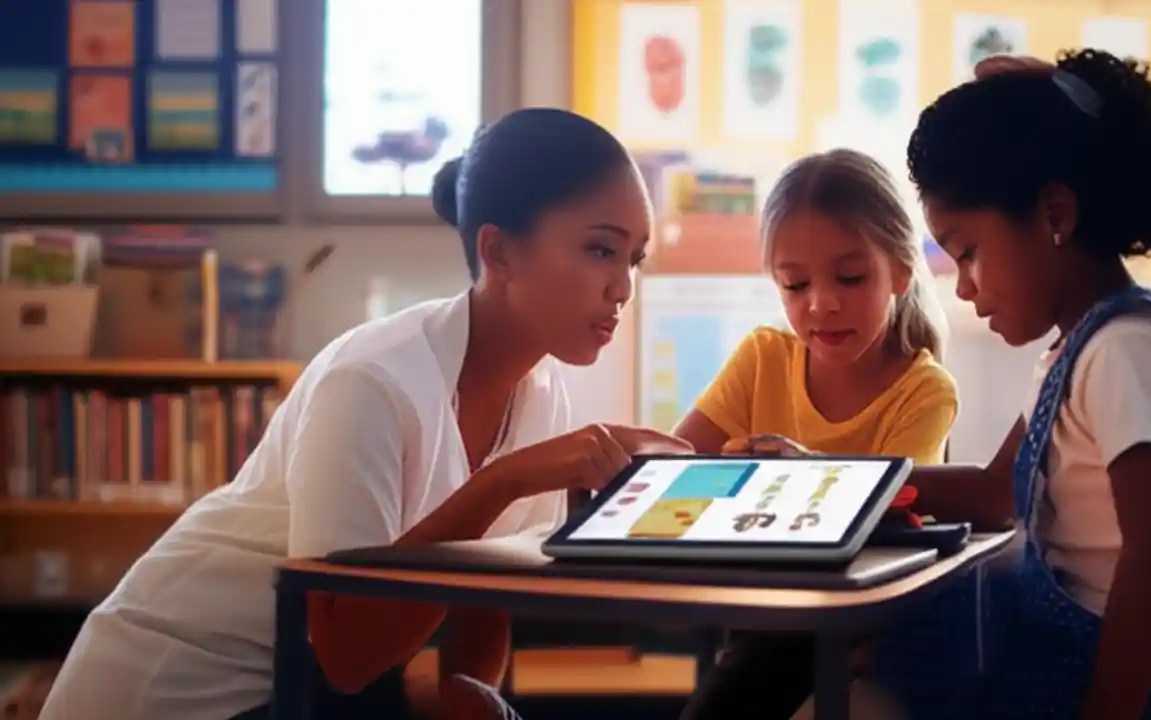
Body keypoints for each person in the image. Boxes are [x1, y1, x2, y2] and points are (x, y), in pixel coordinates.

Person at [38, 107, 693, 720]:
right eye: (601, 250)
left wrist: (470, 703)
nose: (622, 288)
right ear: (498, 252)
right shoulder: (371, 382)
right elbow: (345, 655)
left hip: (297, 699)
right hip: (175, 692)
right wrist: (504, 481)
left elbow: (480, 608)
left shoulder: (542, 392)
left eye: (634, 259)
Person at [866, 49, 1151, 719]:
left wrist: (1106, 712)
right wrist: (851, 484)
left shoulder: (1124, 351)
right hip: (1125, 666)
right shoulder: (1079, 350)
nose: (963, 287)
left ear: (1054, 216)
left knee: (898, 669)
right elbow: (999, 493)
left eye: (967, 251)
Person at [675, 148, 958, 720]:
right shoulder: (761, 358)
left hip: (858, 623)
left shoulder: (924, 390)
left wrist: (797, 472)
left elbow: (887, 515)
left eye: (850, 278)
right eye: (794, 284)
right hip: (763, 613)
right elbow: (676, 466)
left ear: (901, 271)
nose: (821, 304)